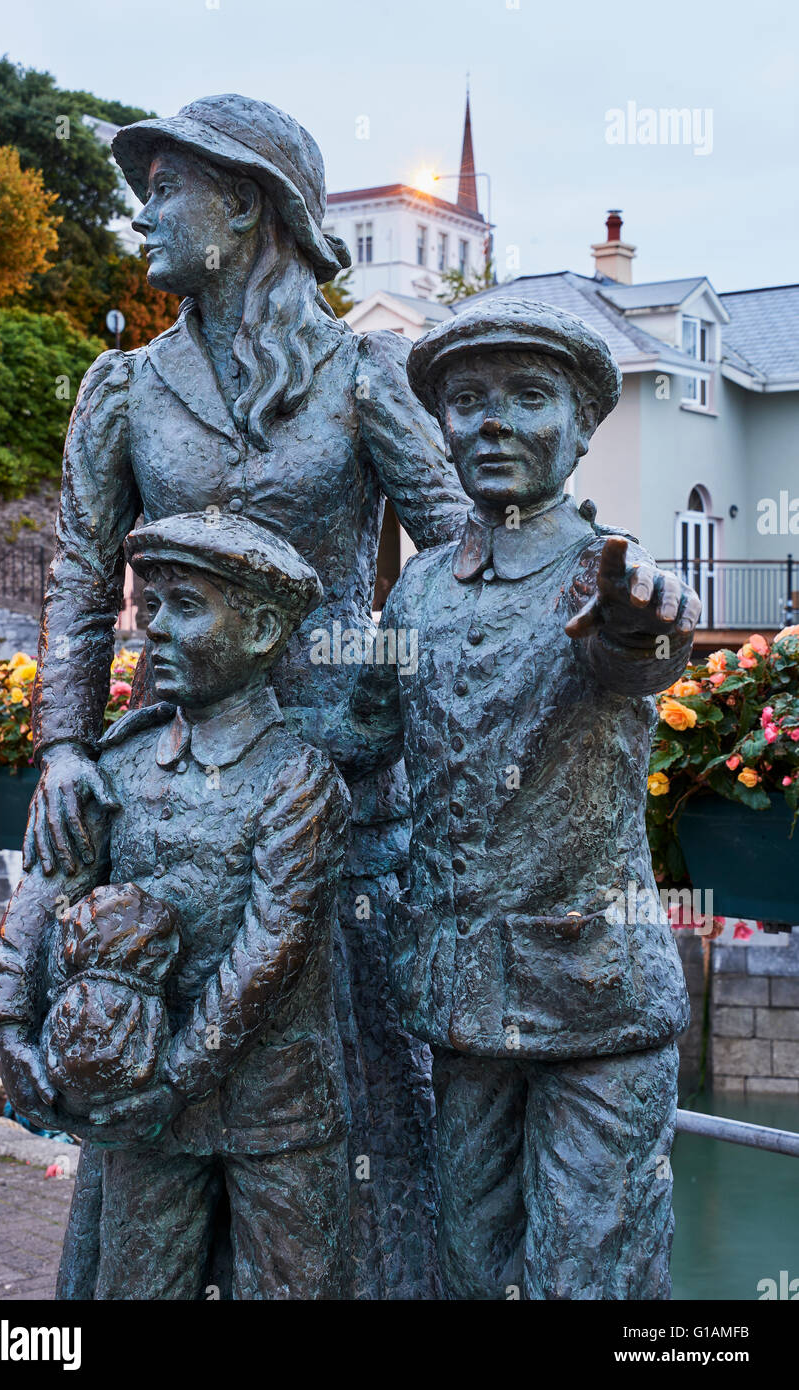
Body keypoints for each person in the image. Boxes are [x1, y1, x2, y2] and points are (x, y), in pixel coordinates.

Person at [24, 94, 466, 1298]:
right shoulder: (120, 388)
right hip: (173, 793)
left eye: (166, 184)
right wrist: (64, 749)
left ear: (245, 204)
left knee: (348, 1100)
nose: (143, 210)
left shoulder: (363, 372)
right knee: (162, 1120)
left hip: (342, 789)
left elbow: (455, 558)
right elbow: (77, 572)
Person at [344, 297, 701, 1299]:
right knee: (465, 1263)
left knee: (591, 1270)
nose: (490, 422)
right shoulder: (417, 591)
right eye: (464, 400)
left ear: (582, 428)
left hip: (596, 1005)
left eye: (526, 397)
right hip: (460, 1008)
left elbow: (640, 645)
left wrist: (643, 629)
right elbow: (359, 736)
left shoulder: (605, 571)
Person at [0, 512, 351, 1300]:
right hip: (142, 1110)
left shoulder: (299, 780)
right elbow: (47, 889)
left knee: (295, 1285)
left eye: (184, 606)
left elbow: (272, 950)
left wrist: (175, 1079)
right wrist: (10, 1022)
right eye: (148, 606)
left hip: (274, 1109)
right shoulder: (118, 760)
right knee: (135, 1285)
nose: (152, 629)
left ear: (259, 630)